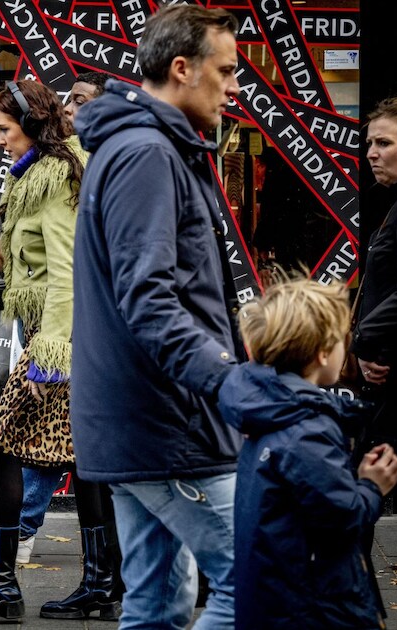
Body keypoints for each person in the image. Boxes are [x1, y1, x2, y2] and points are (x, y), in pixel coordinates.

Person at [71, 6, 244, 629]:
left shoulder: (140, 147)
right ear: (182, 68)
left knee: (155, 604)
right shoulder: (147, 154)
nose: (233, 87)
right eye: (224, 71)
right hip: (169, 426)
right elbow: (149, 299)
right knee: (261, 580)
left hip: (143, 422)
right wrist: (229, 380)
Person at [0, 79, 90, 623]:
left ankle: (2, 583)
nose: (0, 143)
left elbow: (66, 271)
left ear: (33, 126)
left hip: (61, 339)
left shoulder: (56, 177)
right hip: (48, 334)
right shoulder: (34, 176)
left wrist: (49, 352)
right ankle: (102, 579)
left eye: (5, 131)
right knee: (86, 460)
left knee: (5, 449)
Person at [217, 277, 397, 628]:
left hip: (277, 601)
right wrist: (371, 486)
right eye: (341, 340)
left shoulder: (269, 415)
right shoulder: (307, 430)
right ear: (322, 352)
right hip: (311, 610)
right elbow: (342, 517)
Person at [353, 89, 397, 476]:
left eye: (384, 143)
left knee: (361, 480)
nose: (371, 153)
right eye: (369, 144)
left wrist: (364, 337)